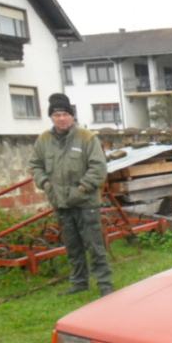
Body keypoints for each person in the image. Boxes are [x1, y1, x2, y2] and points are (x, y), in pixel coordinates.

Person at [30, 93, 112, 296]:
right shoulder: (44, 140)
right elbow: (35, 165)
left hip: (86, 203)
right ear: (51, 117)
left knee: (95, 245)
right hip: (61, 203)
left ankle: (104, 284)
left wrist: (82, 188)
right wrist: (45, 183)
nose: (61, 118)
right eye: (57, 115)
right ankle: (79, 282)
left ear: (72, 116)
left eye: (65, 114)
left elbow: (98, 167)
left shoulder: (87, 138)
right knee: (72, 246)